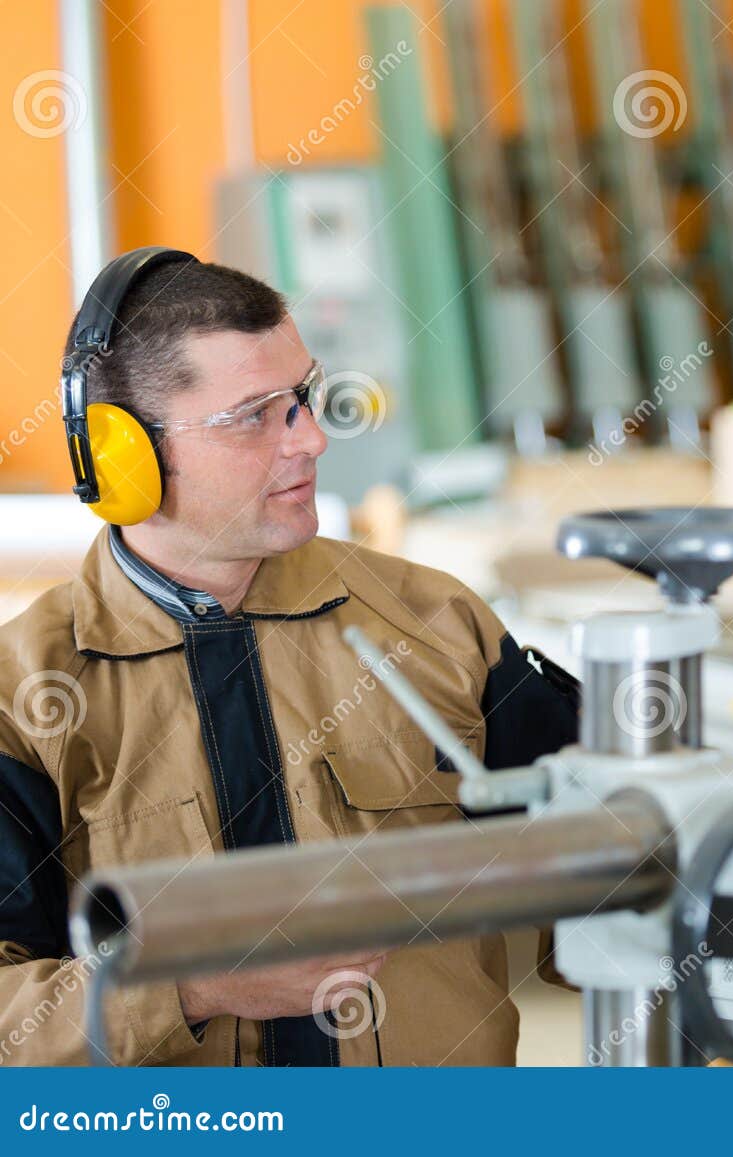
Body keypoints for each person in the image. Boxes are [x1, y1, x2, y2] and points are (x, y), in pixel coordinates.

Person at [0, 252, 580, 1066]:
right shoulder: (26, 698)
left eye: (302, 398)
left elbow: (607, 891)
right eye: (255, 416)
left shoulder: (436, 624)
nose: (311, 438)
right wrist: (190, 987)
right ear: (122, 453)